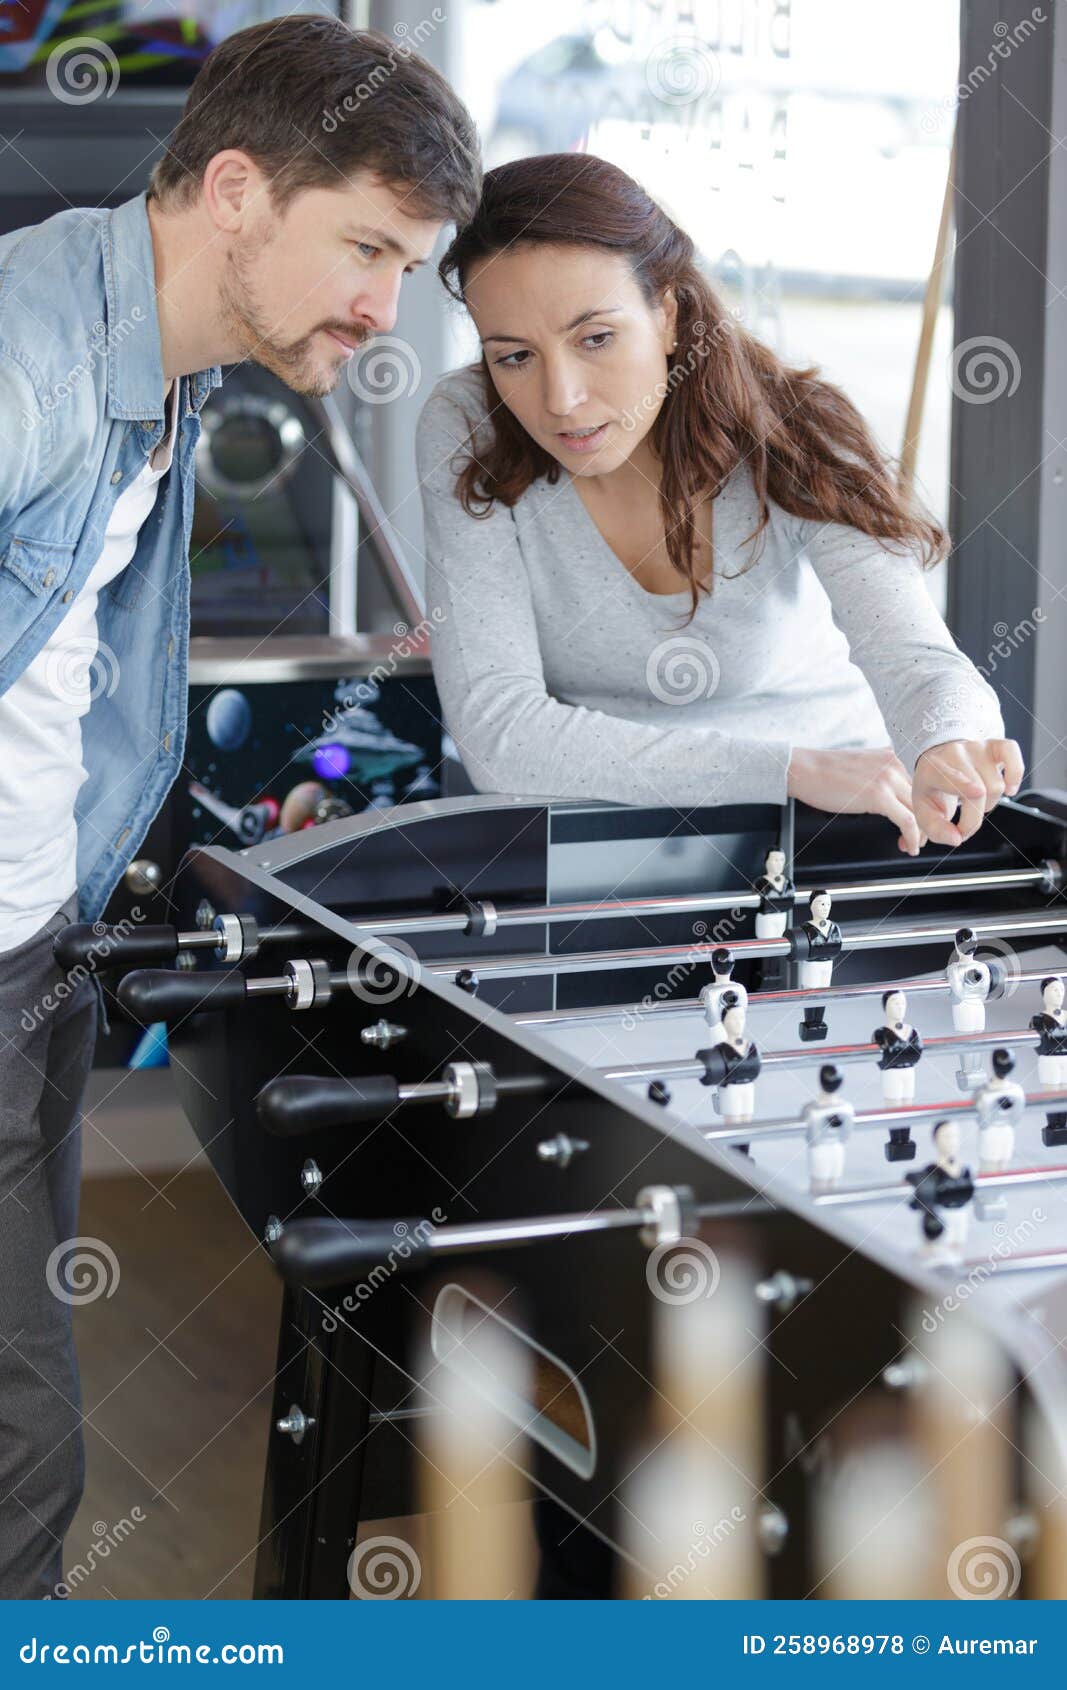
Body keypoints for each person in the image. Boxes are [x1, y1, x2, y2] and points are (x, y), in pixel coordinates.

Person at [0, 16, 479, 1598]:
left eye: (406, 266)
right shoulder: (30, 361)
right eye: (363, 246)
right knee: (24, 1450)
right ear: (231, 191)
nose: (379, 306)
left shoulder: (165, 357)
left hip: (30, 956)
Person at [417, 153, 1023, 855]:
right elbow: (501, 739)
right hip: (601, 837)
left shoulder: (794, 428)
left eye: (596, 338)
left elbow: (918, 661)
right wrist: (787, 769)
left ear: (668, 314)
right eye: (514, 356)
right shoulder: (468, 423)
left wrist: (944, 741)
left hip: (844, 826)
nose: (561, 399)